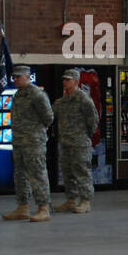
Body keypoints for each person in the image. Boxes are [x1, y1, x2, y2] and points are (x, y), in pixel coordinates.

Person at [2, 65, 54, 223]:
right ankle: (23, 207)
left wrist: (36, 132)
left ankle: (43, 208)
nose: (15, 79)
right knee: (20, 175)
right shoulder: (18, 94)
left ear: (27, 77)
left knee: (37, 174)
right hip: (19, 142)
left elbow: (48, 117)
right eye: (14, 77)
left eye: (18, 77)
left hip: (33, 142)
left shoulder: (37, 94)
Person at [50, 70, 99, 215]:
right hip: (65, 143)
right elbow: (51, 116)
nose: (65, 82)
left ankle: (85, 201)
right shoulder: (61, 102)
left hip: (80, 143)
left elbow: (93, 121)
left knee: (82, 172)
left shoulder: (84, 100)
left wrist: (84, 136)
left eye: (68, 80)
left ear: (76, 82)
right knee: (67, 172)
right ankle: (71, 200)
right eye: (64, 79)